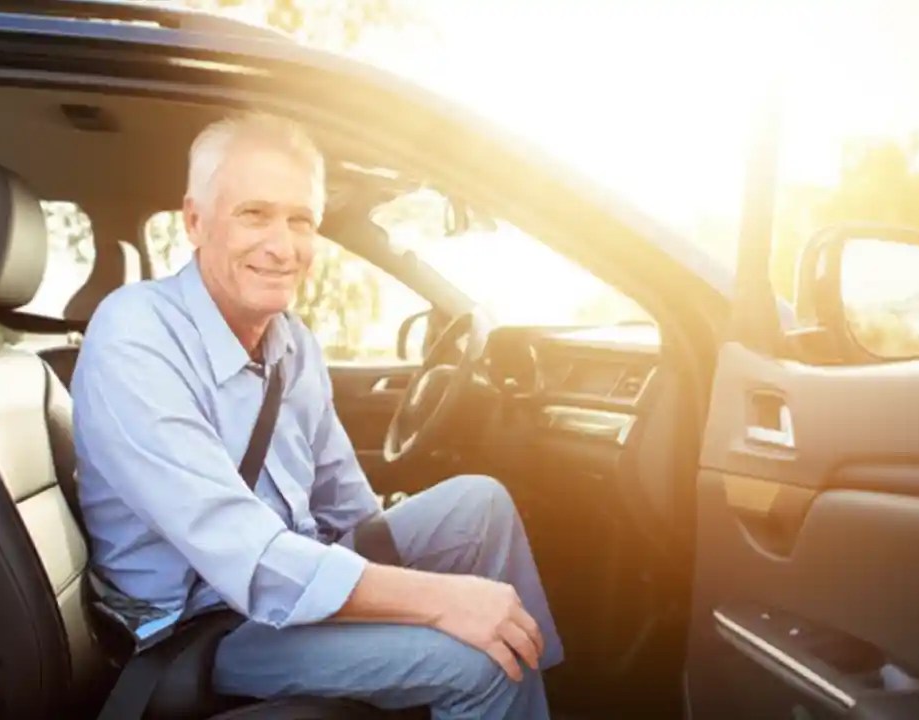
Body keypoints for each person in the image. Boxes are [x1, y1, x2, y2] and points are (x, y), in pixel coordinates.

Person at [71, 111, 563, 719]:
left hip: (284, 581)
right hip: (204, 627)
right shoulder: (135, 334)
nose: (283, 247)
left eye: (300, 220)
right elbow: (252, 561)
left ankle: (533, 701)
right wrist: (440, 601)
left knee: (480, 505)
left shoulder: (291, 342)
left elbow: (346, 506)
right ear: (196, 222)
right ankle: (502, 692)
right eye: (254, 214)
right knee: (483, 666)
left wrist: (427, 583)